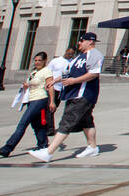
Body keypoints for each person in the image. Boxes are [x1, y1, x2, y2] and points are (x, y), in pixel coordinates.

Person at [31, 32, 104, 162]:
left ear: (90, 42)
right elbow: (68, 72)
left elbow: (93, 74)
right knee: (86, 121)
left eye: (81, 41)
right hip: (73, 94)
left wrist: (73, 81)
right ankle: (92, 147)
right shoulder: (78, 57)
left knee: (67, 121)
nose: (79, 43)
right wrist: (56, 80)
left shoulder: (95, 55)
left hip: (83, 94)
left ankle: (49, 152)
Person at [0, 52, 57, 157]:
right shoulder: (34, 72)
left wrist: (52, 101)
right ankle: (43, 145)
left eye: (39, 60)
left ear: (45, 61)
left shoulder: (47, 71)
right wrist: (26, 85)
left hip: (40, 100)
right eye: (35, 60)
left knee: (22, 124)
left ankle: (7, 148)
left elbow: (50, 86)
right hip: (31, 100)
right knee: (37, 125)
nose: (37, 62)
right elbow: (30, 84)